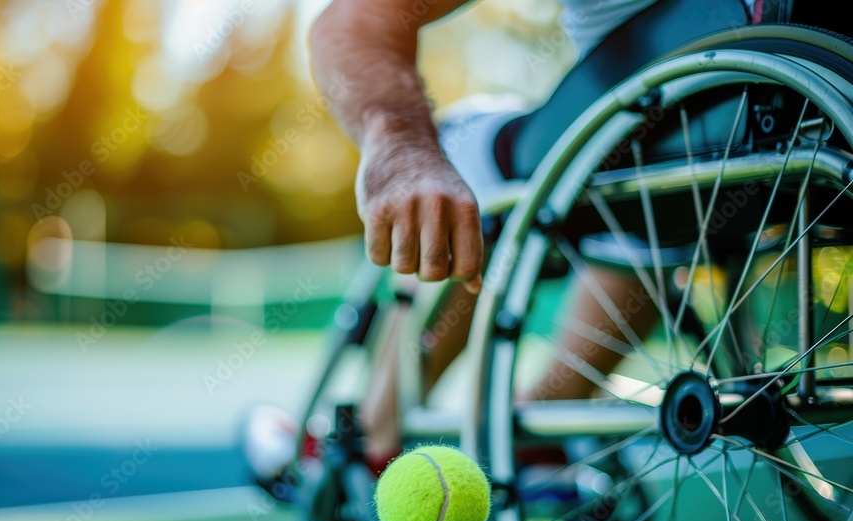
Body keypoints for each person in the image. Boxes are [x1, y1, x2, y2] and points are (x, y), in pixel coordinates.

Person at [243, 0, 777, 489]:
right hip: (784, 114)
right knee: (649, 203)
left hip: (678, 98)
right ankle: (544, 427)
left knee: (467, 145)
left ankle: (373, 436)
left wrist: (400, 146)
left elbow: (354, 21)